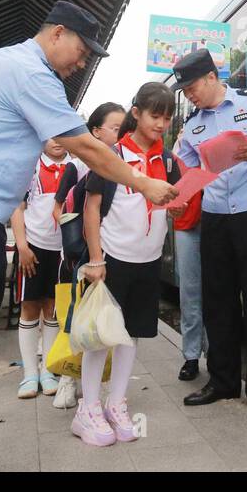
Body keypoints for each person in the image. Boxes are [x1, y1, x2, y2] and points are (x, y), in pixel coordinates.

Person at [0, 2, 177, 472]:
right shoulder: (32, 73)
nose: (80, 63)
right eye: (81, 52)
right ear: (57, 33)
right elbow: (83, 145)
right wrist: (142, 182)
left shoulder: (1, 62)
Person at [170, 48, 247, 418]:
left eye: (191, 87)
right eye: (184, 90)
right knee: (218, 301)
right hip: (215, 218)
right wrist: (178, 196)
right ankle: (222, 380)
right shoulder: (192, 124)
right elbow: (189, 173)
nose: (188, 95)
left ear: (211, 77)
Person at [71, 82, 181, 446]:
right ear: (136, 113)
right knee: (103, 335)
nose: (161, 124)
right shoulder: (112, 155)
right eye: (155, 116)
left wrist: (177, 203)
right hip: (113, 258)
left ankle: (116, 403)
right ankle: (87, 409)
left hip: (148, 261)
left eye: (167, 118)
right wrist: (96, 258)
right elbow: (91, 208)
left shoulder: (167, 160)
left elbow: (174, 200)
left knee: (130, 335)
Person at [48, 101, 125, 410]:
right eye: (117, 129)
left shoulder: (125, 163)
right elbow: (60, 208)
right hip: (83, 253)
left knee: (107, 318)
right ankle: (67, 378)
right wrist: (76, 241)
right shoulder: (77, 166)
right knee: (77, 315)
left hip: (114, 252)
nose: (123, 135)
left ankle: (102, 383)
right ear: (96, 132)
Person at [9, 138, 70, 400]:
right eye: (51, 137)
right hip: (32, 249)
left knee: (52, 307)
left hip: (62, 250)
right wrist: (22, 246)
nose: (56, 142)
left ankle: (48, 370)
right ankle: (30, 374)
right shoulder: (30, 167)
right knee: (29, 306)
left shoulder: (75, 167)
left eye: (61, 136)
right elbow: (17, 207)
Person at [169, 186, 206, 380]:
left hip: (221, 214)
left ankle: (214, 352)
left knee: (217, 289)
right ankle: (191, 356)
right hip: (187, 218)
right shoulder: (180, 156)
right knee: (189, 291)